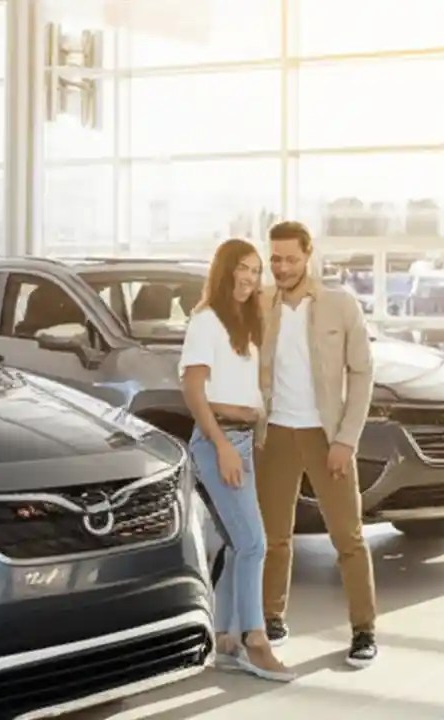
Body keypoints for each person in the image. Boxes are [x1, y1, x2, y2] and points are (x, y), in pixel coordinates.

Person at [255, 221, 379, 668]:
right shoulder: (260, 304)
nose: (282, 267)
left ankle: (364, 630)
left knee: (348, 537)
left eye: (290, 258)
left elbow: (363, 373)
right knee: (273, 539)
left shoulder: (340, 306)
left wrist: (346, 438)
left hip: (326, 437)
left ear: (309, 255)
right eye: (275, 259)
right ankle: (272, 618)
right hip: (274, 436)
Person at [180, 238, 296, 682]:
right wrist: (223, 445)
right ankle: (255, 640)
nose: (249, 277)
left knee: (234, 540)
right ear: (225, 270)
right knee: (254, 544)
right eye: (242, 269)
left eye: (255, 269)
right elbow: (194, 390)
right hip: (219, 441)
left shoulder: (245, 322)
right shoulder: (206, 321)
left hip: (243, 438)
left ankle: (226, 638)